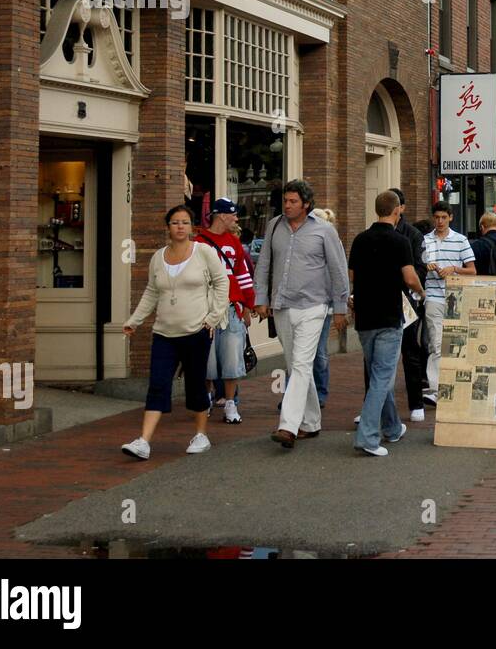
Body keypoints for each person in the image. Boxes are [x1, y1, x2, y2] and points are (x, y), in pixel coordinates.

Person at [121, 205, 229, 459]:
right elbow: (151, 291)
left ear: (192, 227)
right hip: (164, 334)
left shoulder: (204, 252)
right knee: (158, 384)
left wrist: (212, 318)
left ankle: (201, 435)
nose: (180, 227)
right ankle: (143, 441)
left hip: (196, 331)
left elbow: (222, 282)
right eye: (175, 222)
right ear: (167, 227)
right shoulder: (158, 257)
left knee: (195, 384)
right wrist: (134, 320)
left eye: (184, 222)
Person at [253, 180, 350, 449]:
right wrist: (261, 298)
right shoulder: (274, 226)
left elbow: (338, 270)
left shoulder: (324, 231)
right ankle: (311, 422)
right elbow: (264, 264)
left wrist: (340, 307)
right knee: (297, 365)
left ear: (306, 204)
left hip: (314, 306)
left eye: (293, 201)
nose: (287, 205)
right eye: (285, 200)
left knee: (301, 364)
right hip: (282, 306)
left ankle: (288, 425)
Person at [348, 189, 426, 457]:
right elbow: (410, 277)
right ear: (396, 211)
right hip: (390, 315)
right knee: (382, 377)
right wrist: (422, 293)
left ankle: (392, 428)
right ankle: (368, 436)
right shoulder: (399, 241)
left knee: (376, 373)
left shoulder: (360, 239)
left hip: (364, 316)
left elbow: (352, 274)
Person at [195, 197, 255, 424]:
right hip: (206, 309)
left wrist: (248, 306)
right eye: (233, 214)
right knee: (206, 360)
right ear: (221, 215)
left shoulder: (234, 242)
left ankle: (231, 404)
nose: (236, 218)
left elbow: (243, 276)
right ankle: (206, 399)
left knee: (232, 359)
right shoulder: (200, 242)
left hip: (232, 308)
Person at [421, 201, 477, 405]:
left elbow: (472, 270)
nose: (440, 221)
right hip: (433, 296)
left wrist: (454, 269)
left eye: (444, 217)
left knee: (455, 342)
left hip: (456, 296)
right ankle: (436, 389)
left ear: (451, 218)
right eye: (436, 217)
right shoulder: (425, 240)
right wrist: (427, 266)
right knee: (436, 343)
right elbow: (420, 265)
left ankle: (456, 384)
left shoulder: (460, 240)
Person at [390, 188, 430, 422]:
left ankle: (416, 403)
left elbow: (421, 268)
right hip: (381, 299)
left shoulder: (413, 235)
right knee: (375, 356)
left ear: (401, 208)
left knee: (409, 350)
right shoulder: (373, 234)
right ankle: (374, 406)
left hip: (406, 299)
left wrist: (413, 289)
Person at [309, 206, 344, 410]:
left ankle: (320, 392)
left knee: (320, 351)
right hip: (303, 303)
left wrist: (337, 303)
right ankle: (295, 392)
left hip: (323, 303)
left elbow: (337, 273)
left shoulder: (332, 242)